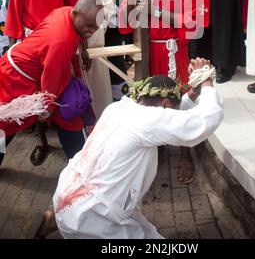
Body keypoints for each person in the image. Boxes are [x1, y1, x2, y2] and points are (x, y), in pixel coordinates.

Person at [35, 57, 223, 239]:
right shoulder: (149, 121)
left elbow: (171, 115)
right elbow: (207, 119)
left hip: (66, 191)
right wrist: (205, 80)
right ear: (164, 104)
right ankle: (61, 221)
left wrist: (195, 92)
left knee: (148, 233)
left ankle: (54, 219)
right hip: (93, 215)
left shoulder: (118, 108)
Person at [119, 0, 197, 184]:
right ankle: (159, 146)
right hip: (149, 51)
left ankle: (186, 155)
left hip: (173, 50)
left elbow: (193, 22)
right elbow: (123, 23)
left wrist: (158, 11)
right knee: (151, 101)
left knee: (180, 102)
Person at [4, 0, 83, 165]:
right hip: (31, 47)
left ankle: (76, 158)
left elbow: (77, 11)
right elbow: (14, 11)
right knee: (25, 100)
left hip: (60, 46)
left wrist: (82, 48)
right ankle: (41, 141)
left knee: (62, 98)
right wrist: (12, 50)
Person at [0, 0, 104, 166]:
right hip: (16, 80)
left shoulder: (66, 12)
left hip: (26, 72)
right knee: (6, 124)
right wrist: (46, 106)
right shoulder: (61, 41)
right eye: (88, 26)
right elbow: (51, 77)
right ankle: (81, 166)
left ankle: (80, 164)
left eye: (95, 28)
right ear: (76, 14)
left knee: (68, 115)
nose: (91, 32)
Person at [65, 0, 113, 119]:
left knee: (97, 93)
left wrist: (89, 31)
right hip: (68, 48)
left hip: (93, 48)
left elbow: (107, 11)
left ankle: (101, 122)